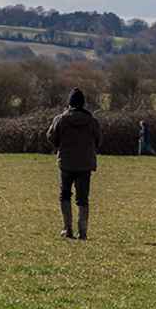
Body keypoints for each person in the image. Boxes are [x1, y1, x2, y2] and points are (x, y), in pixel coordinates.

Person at [46, 88, 102, 240]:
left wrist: (60, 146)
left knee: (65, 195)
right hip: (85, 164)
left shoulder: (61, 119)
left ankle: (67, 228)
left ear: (69, 103)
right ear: (83, 103)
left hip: (66, 162)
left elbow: (51, 137)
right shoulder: (91, 121)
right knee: (83, 198)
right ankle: (82, 231)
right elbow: (98, 140)